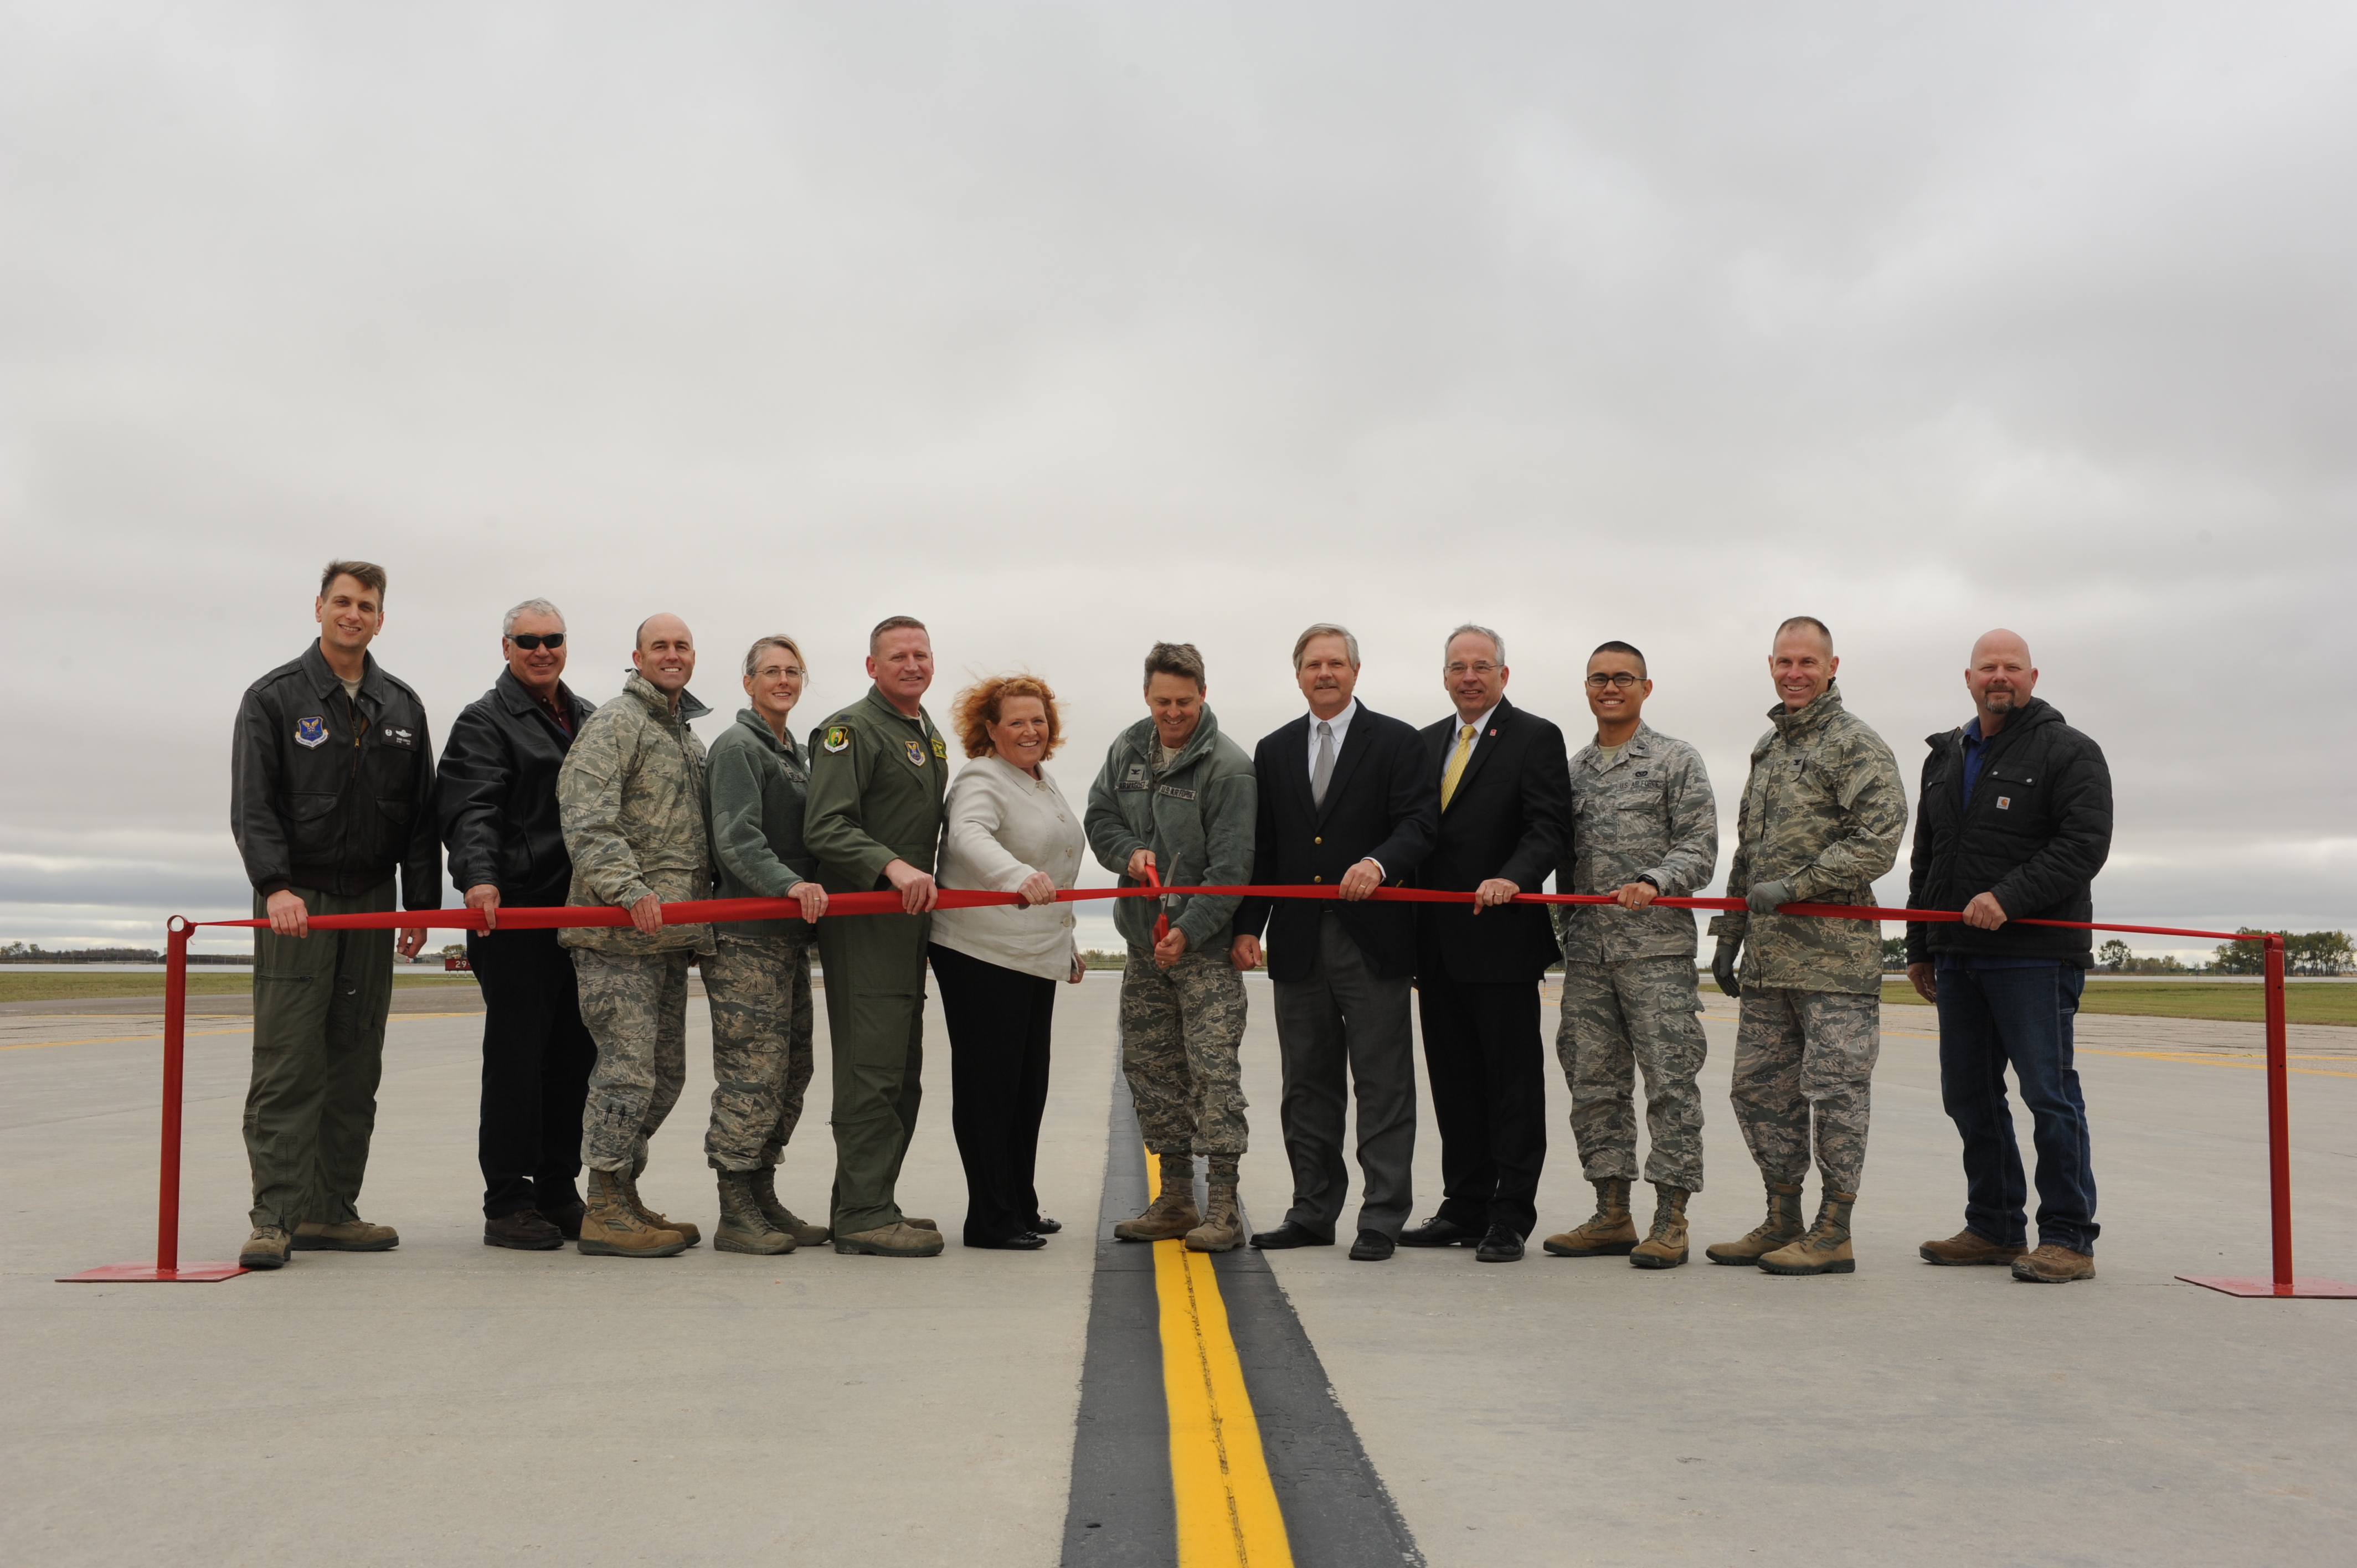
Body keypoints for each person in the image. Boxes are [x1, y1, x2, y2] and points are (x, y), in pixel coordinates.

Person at [229, 560, 438, 1271]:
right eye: (342, 602)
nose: (354, 615)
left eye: (367, 605)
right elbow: (254, 805)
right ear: (318, 607)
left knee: (355, 1060)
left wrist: (420, 904)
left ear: (381, 618)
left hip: (374, 904)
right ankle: (274, 1217)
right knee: (289, 1061)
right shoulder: (274, 699)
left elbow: (418, 818)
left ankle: (330, 1210)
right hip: (299, 904)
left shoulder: (402, 707)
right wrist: (275, 885)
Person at [1906, 630, 2113, 1285]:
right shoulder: (1944, 755)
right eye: (1988, 667)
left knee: (2048, 1095)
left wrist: (2008, 897)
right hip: (1958, 956)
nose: (2001, 677)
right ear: (1968, 678)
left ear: (2032, 676)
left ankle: (2067, 1237)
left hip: (2033, 955)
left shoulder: (2069, 751)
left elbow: (2083, 844)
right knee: (1967, 1094)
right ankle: (1994, 1226)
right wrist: (1920, 945)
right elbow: (1927, 858)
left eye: (2012, 667)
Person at [1704, 616, 1906, 1276]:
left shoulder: (1855, 744)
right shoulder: (1768, 748)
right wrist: (1728, 938)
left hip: (1833, 962)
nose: (1794, 673)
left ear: (1831, 666)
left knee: (1836, 1093)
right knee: (1759, 1091)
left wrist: (1794, 888)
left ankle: (1834, 1230)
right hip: (1768, 962)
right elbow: (1747, 852)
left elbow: (1877, 839)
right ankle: (1782, 1216)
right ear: (1770, 666)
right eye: (1783, 662)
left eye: (1806, 663)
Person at [1233, 623, 1439, 1262]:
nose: (1324, 674)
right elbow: (1265, 847)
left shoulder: (1398, 742)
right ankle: (1312, 1210)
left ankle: (1380, 1216)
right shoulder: (1273, 749)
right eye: (1312, 665)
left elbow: (1418, 825)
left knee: (1382, 1082)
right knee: (1306, 1086)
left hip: (1370, 938)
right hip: (1296, 943)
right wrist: (1248, 923)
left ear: (1355, 672)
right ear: (1298, 675)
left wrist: (1378, 865)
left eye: (1335, 664)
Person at [1541, 640, 1718, 1270]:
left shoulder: (1676, 760)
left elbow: (1699, 848)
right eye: (1598, 679)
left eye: (1622, 678)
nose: (1609, 688)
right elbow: (1555, 856)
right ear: (1585, 688)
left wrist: (1655, 878)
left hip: (1656, 956)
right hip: (1588, 957)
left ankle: (1670, 1218)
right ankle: (1610, 1212)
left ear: (1646, 687)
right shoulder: (1570, 771)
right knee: (1591, 1084)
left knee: (1670, 1085)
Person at [1398, 625, 1569, 1264]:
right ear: (1444, 677)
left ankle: (1508, 1215)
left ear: (1503, 674)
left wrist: (1515, 877)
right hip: (1435, 946)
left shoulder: (1533, 736)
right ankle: (1463, 1205)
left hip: (1500, 941)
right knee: (1453, 1082)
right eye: (1456, 667)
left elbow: (1547, 828)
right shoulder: (1422, 744)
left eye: (1480, 666)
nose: (1468, 676)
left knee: (1511, 1085)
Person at [436, 597, 601, 1250]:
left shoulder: (588, 718)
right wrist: (480, 878)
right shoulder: (484, 721)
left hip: (582, 914)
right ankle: (508, 1201)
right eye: (527, 640)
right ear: (505, 648)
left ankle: (559, 1192)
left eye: (553, 639)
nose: (541, 650)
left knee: (573, 1060)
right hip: (516, 912)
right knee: (516, 1060)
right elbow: (470, 805)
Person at [1083, 642, 1259, 1255]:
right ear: (1146, 696)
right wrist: (1126, 852)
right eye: (1162, 702)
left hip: (1203, 953)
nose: (1173, 713)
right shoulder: (1128, 748)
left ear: (1203, 695)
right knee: (1152, 1071)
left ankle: (1223, 1209)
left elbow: (1233, 869)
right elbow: (1099, 816)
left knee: (1213, 1077)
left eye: (1184, 702)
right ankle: (1176, 1198)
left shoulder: (1228, 767)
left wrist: (1187, 929)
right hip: (1140, 945)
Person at [556, 613, 714, 1259]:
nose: (671, 656)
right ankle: (603, 1208)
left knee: (664, 1078)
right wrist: (628, 889)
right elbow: (585, 815)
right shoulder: (616, 723)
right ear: (638, 656)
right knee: (625, 1075)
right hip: (616, 938)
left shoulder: (686, 738)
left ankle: (622, 1190)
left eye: (681, 646)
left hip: (669, 943)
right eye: (660, 647)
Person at [802, 616, 951, 1258]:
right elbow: (825, 825)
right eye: (897, 656)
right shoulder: (850, 731)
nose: (912, 664)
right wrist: (889, 866)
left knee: (899, 1073)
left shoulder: (925, 733)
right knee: (871, 1069)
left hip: (908, 928)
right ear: (872, 667)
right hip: (866, 923)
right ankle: (864, 1214)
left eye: (921, 654)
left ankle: (866, 1202)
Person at [929, 674, 1087, 1250]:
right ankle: (989, 1219)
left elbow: (1060, 867)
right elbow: (968, 837)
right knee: (988, 1089)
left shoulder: (1040, 782)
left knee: (1026, 1088)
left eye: (1038, 720)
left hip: (1031, 955)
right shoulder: (981, 777)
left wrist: (1064, 943)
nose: (1030, 730)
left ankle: (1019, 1203)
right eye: (1016, 721)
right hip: (981, 954)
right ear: (989, 729)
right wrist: (1015, 877)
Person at [702, 635, 834, 1256]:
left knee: (791, 1071)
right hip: (745, 941)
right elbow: (737, 838)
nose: (783, 680)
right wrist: (792, 885)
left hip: (787, 942)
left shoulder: (795, 752)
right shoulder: (737, 748)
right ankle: (734, 1206)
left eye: (792, 672)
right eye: (771, 672)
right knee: (750, 1074)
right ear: (748, 682)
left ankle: (762, 1191)